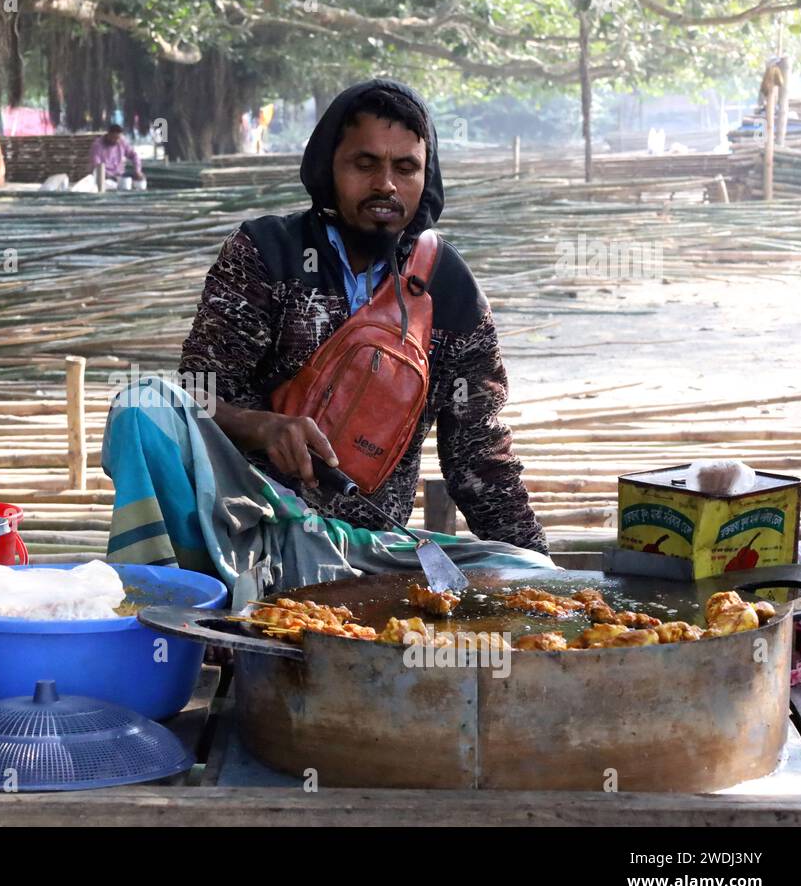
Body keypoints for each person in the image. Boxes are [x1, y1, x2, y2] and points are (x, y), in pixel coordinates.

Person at [176, 78, 547, 553]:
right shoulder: (265, 254)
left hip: (371, 554)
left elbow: (480, 458)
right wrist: (264, 426)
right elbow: (192, 399)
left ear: (425, 177)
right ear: (329, 167)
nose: (386, 185)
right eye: (365, 163)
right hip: (246, 535)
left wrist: (543, 571)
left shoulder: (449, 289)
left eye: (406, 167)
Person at [87, 124, 144, 189]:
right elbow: (97, 165)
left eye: (118, 138)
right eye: (114, 138)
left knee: (140, 182)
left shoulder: (122, 142)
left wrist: (137, 170)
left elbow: (134, 155)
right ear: (109, 134)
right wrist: (109, 176)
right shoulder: (97, 145)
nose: (116, 140)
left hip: (120, 175)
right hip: (104, 177)